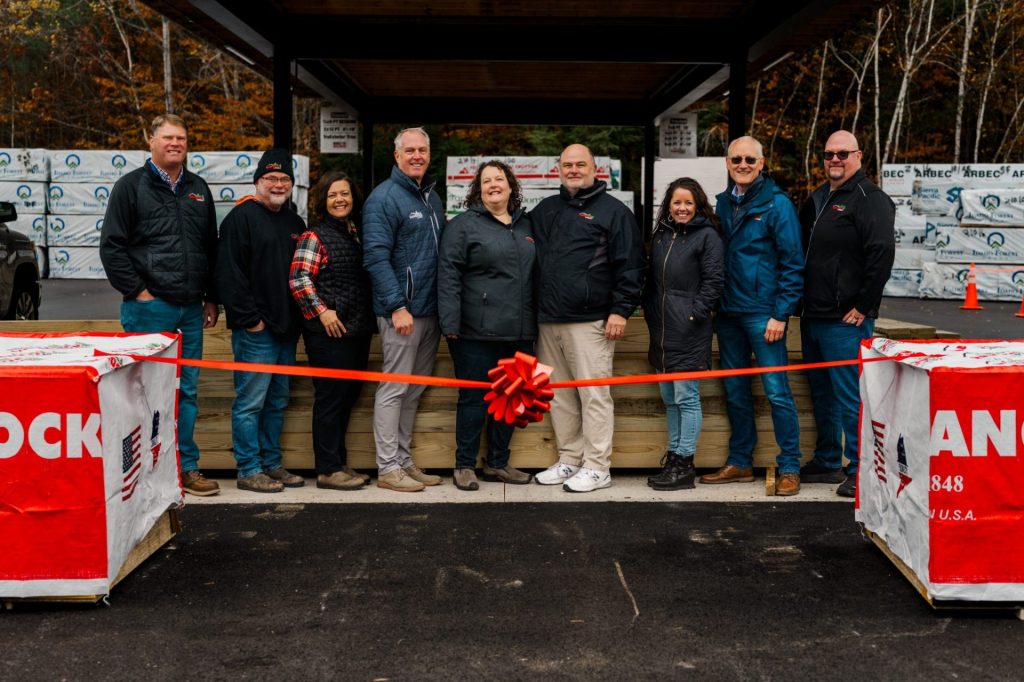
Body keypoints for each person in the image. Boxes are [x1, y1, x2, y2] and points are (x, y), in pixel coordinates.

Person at [99, 113, 220, 496]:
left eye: (181, 138)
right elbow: (112, 247)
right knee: (143, 390)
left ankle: (186, 467)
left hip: (191, 309)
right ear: (150, 141)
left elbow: (210, 248)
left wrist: (211, 297)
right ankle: (144, 472)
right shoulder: (131, 187)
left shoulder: (198, 188)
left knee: (187, 390)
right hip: (149, 307)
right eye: (167, 137)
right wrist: (138, 291)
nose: (175, 144)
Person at [531, 144, 645, 493]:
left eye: (581, 164)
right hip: (548, 320)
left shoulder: (613, 212)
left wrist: (620, 309)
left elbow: (631, 265)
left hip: (592, 321)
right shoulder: (546, 209)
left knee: (594, 395)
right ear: (558, 170)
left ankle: (597, 466)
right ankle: (570, 459)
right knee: (559, 395)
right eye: (568, 164)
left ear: (596, 169)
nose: (574, 169)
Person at [700, 136, 805, 496]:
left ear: (762, 163)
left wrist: (781, 313)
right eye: (736, 159)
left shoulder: (777, 205)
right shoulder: (721, 204)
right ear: (727, 163)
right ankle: (740, 461)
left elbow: (793, 263)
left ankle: (790, 465)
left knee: (777, 391)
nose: (742, 164)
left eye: (749, 159)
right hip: (728, 313)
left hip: (764, 314)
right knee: (735, 391)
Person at [798, 130, 895, 498]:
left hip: (845, 319)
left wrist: (864, 305)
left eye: (842, 153)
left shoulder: (871, 199)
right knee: (820, 392)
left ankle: (860, 469)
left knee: (849, 396)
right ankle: (827, 460)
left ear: (858, 155)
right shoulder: (820, 197)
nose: (834, 160)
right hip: (813, 315)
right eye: (828, 154)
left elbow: (882, 253)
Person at [438, 160, 536, 491]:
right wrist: (450, 321)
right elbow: (448, 273)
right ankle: (464, 464)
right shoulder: (464, 225)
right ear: (478, 190)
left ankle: (497, 462)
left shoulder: (527, 226)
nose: (493, 184)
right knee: (474, 399)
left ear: (511, 186)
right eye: (486, 181)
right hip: (474, 331)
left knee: (512, 400)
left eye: (499, 179)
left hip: (520, 330)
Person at [216, 149, 306, 493]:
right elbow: (228, 274)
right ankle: (249, 467)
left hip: (286, 330)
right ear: (258, 182)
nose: (278, 184)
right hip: (258, 331)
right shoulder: (241, 218)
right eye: (271, 178)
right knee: (250, 402)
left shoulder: (294, 222)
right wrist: (251, 320)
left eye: (284, 179)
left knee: (277, 401)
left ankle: (271, 463)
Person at [362, 127, 444, 492]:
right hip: (402, 313)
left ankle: (404, 460)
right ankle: (388, 467)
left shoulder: (430, 197)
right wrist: (397, 305)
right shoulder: (384, 199)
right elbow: (376, 258)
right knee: (394, 389)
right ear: (396, 156)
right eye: (409, 150)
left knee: (413, 390)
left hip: (430, 312)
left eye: (422, 150)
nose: (416, 156)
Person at [290, 171, 375, 491]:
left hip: (356, 329)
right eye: (333, 195)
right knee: (330, 399)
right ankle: (327, 469)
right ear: (322, 200)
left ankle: (338, 462)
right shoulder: (315, 236)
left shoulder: (357, 233)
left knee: (347, 397)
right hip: (328, 334)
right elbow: (299, 279)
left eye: (345, 194)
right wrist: (321, 311)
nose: (340, 200)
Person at [644, 178, 724, 491]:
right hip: (662, 331)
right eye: (677, 202)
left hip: (689, 329)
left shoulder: (707, 236)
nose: (682, 208)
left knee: (686, 397)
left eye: (688, 203)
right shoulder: (662, 233)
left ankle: (685, 463)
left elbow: (714, 281)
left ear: (698, 205)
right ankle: (674, 457)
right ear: (668, 205)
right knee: (670, 398)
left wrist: (695, 314)